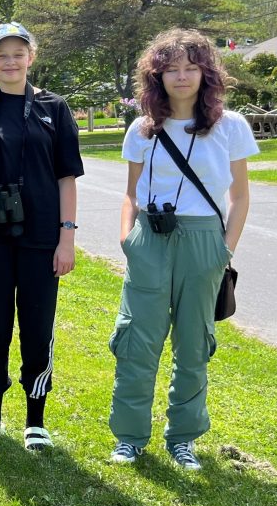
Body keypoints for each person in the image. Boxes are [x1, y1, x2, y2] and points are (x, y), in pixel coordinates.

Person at [107, 28, 256, 470]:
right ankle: (130, 437)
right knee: (137, 341)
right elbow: (130, 193)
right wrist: (127, 239)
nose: (182, 76)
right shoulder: (142, 128)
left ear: (206, 73)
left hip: (204, 242)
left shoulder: (230, 127)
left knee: (194, 345)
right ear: (157, 77)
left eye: (191, 67)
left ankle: (183, 438)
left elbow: (241, 196)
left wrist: (223, 250)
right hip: (149, 239)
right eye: (171, 69)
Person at [0, 23, 84, 451]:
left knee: (38, 326)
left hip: (42, 239)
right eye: (1, 54)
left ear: (31, 57)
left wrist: (66, 237)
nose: (10, 61)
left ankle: (36, 420)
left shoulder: (55, 109)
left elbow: (67, 179)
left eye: (18, 53)